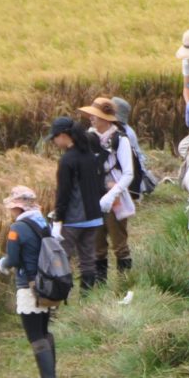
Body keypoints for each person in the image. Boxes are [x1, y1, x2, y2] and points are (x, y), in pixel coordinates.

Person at [0, 184, 59, 378]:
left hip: (29, 285)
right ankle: (48, 376)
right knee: (44, 330)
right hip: (46, 282)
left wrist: (2, 264)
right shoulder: (43, 223)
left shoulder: (18, 228)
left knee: (34, 334)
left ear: (18, 207)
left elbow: (13, 259)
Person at [79, 97, 136, 285]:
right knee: (97, 244)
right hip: (94, 194)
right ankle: (100, 286)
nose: (91, 118)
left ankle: (124, 284)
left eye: (95, 115)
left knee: (119, 243)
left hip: (115, 196)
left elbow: (128, 173)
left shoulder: (120, 140)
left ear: (106, 118)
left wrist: (112, 194)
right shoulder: (88, 137)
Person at [48, 115, 106, 291]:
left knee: (61, 258)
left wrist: (58, 218)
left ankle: (57, 297)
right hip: (94, 216)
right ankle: (87, 297)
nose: (54, 141)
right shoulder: (90, 155)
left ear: (63, 135)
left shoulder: (67, 160)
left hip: (74, 218)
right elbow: (100, 186)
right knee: (88, 259)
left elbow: (63, 193)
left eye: (54, 137)